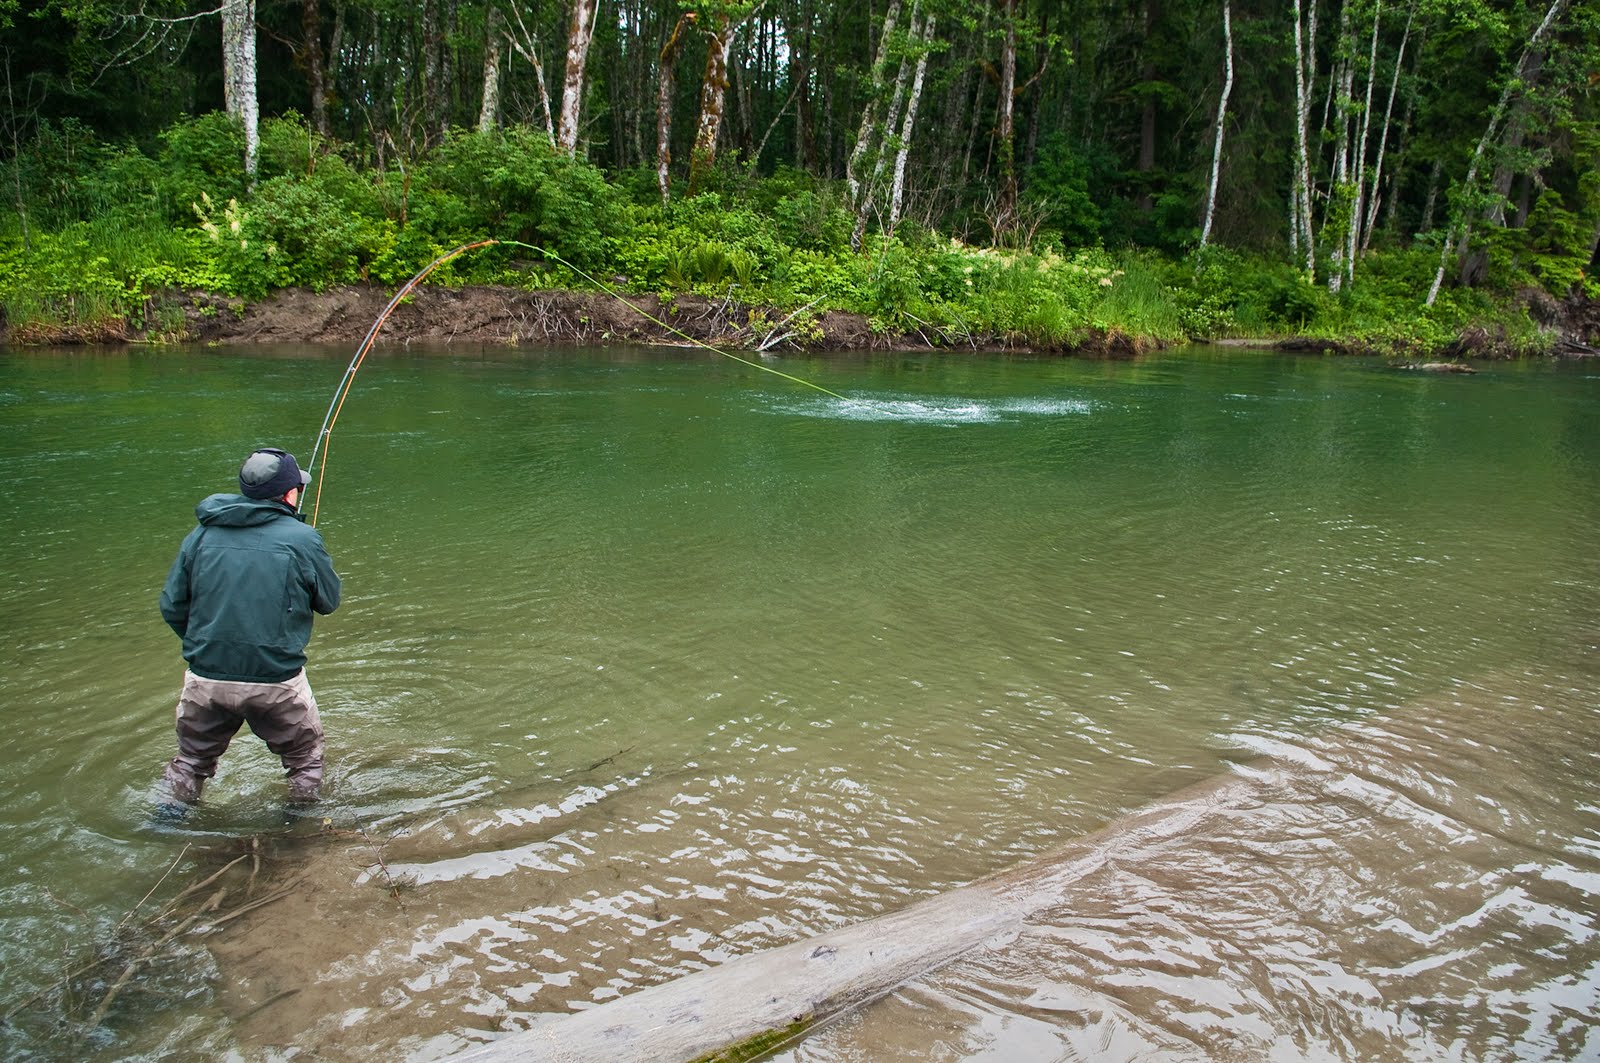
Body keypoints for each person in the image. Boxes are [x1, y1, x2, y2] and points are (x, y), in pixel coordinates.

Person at [158, 447, 341, 805]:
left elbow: (171, 606)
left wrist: (207, 646)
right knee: (305, 761)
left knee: (191, 762)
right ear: (290, 493)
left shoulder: (200, 536)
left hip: (206, 676)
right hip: (276, 678)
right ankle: (299, 833)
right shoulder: (303, 539)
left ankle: (167, 823)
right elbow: (328, 603)